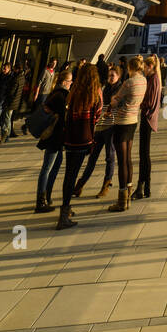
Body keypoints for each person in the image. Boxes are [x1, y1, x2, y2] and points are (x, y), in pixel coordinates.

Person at [57, 64, 103, 229]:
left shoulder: (74, 91)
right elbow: (97, 115)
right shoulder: (95, 93)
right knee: (73, 173)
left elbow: (68, 113)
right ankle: (63, 215)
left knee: (69, 174)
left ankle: (66, 207)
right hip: (85, 138)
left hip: (70, 138)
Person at [73, 64, 119, 198]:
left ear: (118, 76)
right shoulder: (104, 88)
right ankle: (80, 184)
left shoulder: (120, 89)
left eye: (113, 75)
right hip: (100, 127)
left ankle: (106, 184)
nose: (110, 78)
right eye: (109, 75)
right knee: (92, 157)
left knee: (109, 157)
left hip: (111, 127)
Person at [108, 55, 146, 211]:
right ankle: (128, 193)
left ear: (130, 68)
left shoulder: (128, 82)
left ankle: (122, 199)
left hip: (122, 121)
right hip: (133, 120)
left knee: (122, 160)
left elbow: (115, 101)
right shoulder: (144, 81)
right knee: (128, 158)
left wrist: (113, 100)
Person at [35, 68, 72, 212]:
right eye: (70, 81)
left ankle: (46, 197)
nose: (71, 83)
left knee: (54, 166)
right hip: (54, 137)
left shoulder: (55, 93)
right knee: (48, 168)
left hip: (55, 137)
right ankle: (41, 200)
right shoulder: (61, 96)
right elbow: (62, 118)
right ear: (64, 82)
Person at [135, 53, 161, 199]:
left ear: (150, 67)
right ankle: (145, 187)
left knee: (144, 154)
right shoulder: (153, 78)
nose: (144, 69)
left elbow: (150, 102)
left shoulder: (153, 79)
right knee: (144, 154)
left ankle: (145, 186)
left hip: (147, 118)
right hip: (150, 118)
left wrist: (139, 103)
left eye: (145, 67)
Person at [24, 57, 57, 134]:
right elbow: (39, 82)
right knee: (38, 111)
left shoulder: (53, 72)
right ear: (50, 62)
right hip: (42, 94)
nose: (54, 64)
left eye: (55, 63)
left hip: (48, 93)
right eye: (53, 63)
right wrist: (36, 94)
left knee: (42, 112)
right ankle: (26, 125)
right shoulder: (45, 71)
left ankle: (35, 127)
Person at [0, 63, 24, 142]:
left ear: (17, 69)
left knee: (6, 119)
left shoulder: (16, 78)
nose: (13, 70)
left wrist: (6, 94)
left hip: (11, 102)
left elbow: (11, 91)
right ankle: (6, 137)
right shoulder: (22, 77)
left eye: (14, 69)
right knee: (7, 118)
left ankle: (5, 137)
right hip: (15, 102)